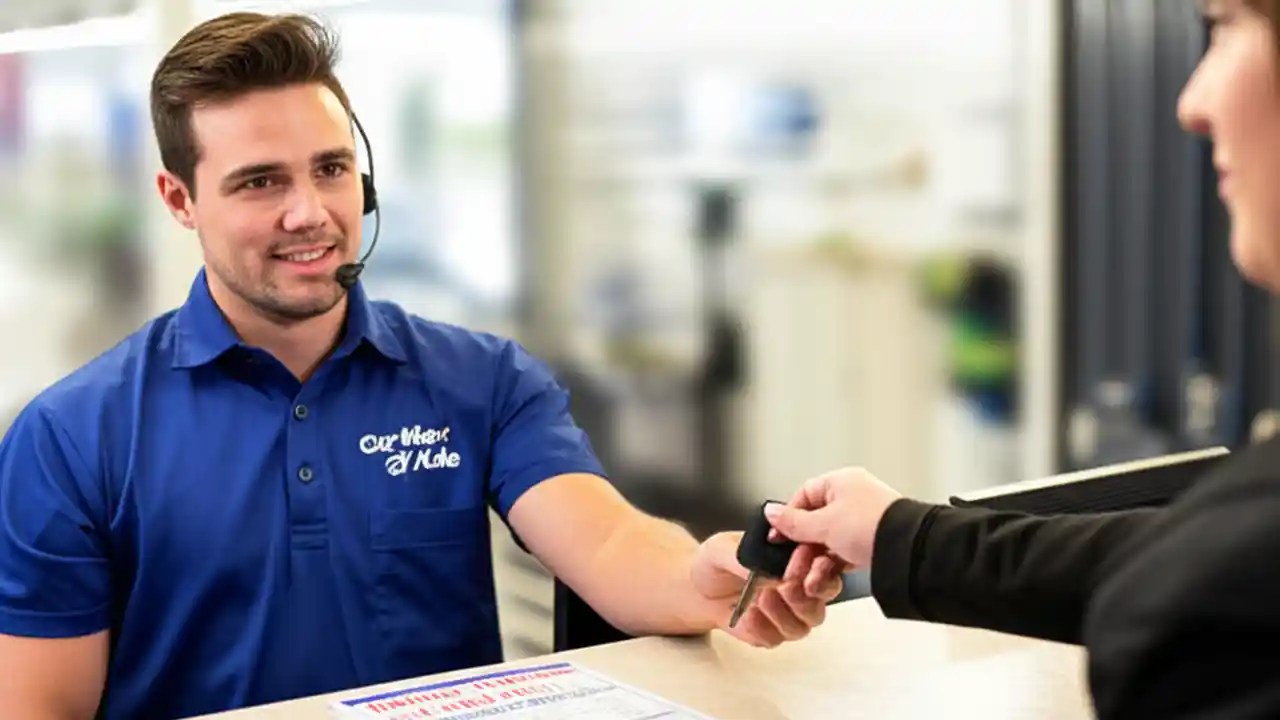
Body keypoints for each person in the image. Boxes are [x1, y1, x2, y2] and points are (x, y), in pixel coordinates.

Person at [0, 12, 844, 720]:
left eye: (331, 169)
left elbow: (610, 541)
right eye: (260, 182)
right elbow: (42, 708)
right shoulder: (72, 436)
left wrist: (705, 576)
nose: (311, 212)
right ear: (180, 200)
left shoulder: (479, 381)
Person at [764, 3, 1280, 717]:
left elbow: (1199, 588)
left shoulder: (1213, 639)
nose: (1191, 102)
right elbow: (1194, 556)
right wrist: (902, 535)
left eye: (1224, 28)